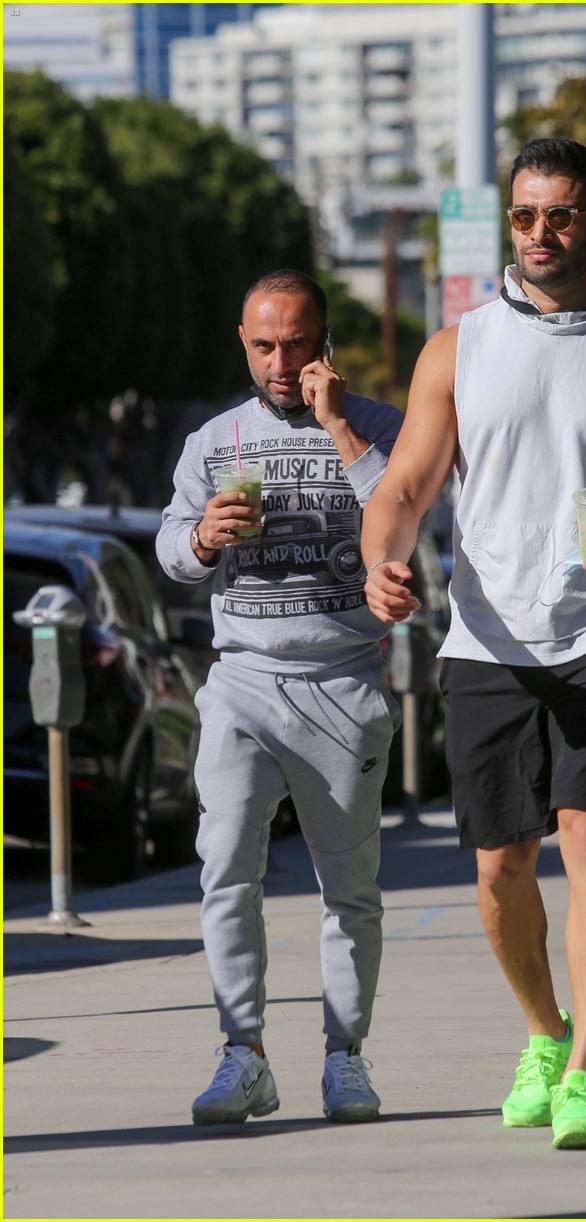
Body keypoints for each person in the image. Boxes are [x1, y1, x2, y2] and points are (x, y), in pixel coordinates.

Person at [361, 139, 586, 1150]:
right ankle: (539, 1030)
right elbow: (403, 488)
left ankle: (584, 1074)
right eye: (524, 216)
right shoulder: (457, 347)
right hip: (485, 635)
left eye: (560, 214)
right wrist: (380, 560)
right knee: (495, 866)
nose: (539, 233)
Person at [157, 269, 404, 1126]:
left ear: (324, 342)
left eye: (296, 342)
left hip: (344, 681)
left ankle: (346, 1058)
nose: (280, 360)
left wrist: (337, 425)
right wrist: (198, 536)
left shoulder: (377, 427)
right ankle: (243, 1053)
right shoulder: (212, 441)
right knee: (226, 870)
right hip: (243, 680)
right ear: (243, 343)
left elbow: (403, 524)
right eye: (264, 344)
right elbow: (170, 552)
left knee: (350, 888)